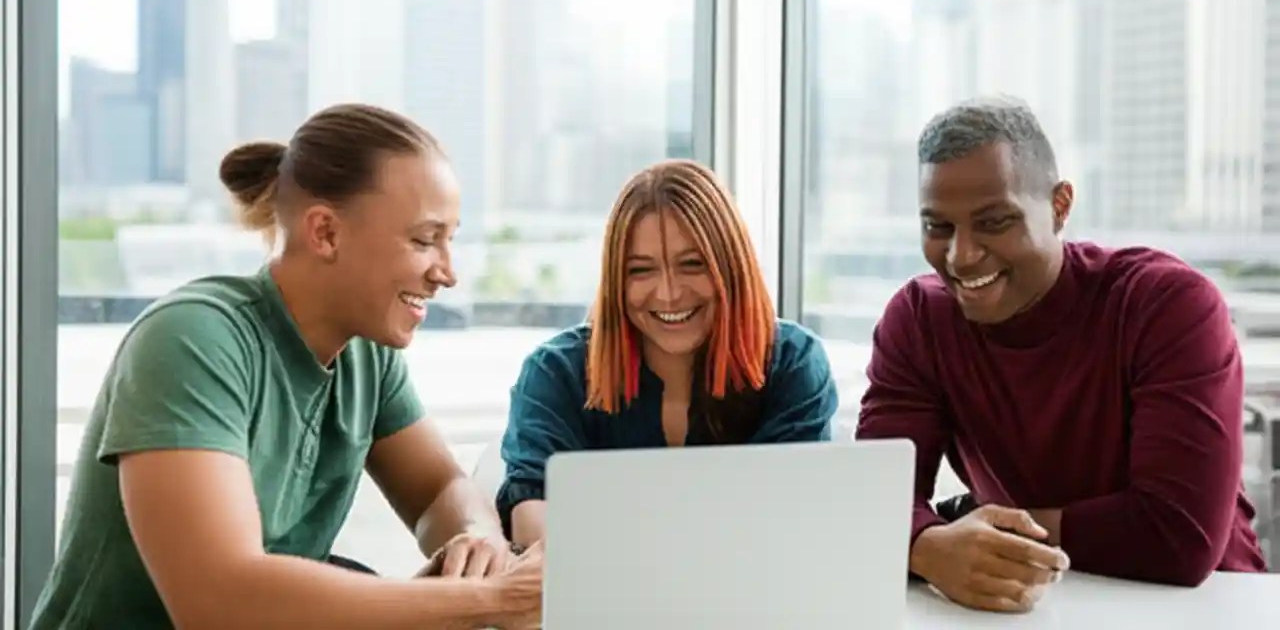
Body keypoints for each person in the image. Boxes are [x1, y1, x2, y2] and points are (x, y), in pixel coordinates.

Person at [30, 104, 543, 629]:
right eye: (423, 239)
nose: (447, 273)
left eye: (450, 239)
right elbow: (217, 602)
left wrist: (478, 541)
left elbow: (439, 488)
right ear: (324, 232)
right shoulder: (193, 340)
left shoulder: (368, 355)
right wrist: (494, 599)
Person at [856, 97, 1267, 614]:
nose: (961, 255)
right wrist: (930, 545)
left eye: (993, 222)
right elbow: (873, 502)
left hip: (1208, 607)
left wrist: (986, 521)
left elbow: (1178, 536)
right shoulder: (920, 319)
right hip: (1035, 607)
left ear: (1059, 206)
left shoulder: (1167, 306)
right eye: (938, 227)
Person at [496, 159, 840, 547]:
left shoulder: (793, 362)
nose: (669, 293)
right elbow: (530, 512)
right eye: (640, 271)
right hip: (603, 601)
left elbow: (792, 514)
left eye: (692, 265)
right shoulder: (557, 372)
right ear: (615, 281)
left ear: (731, 266)